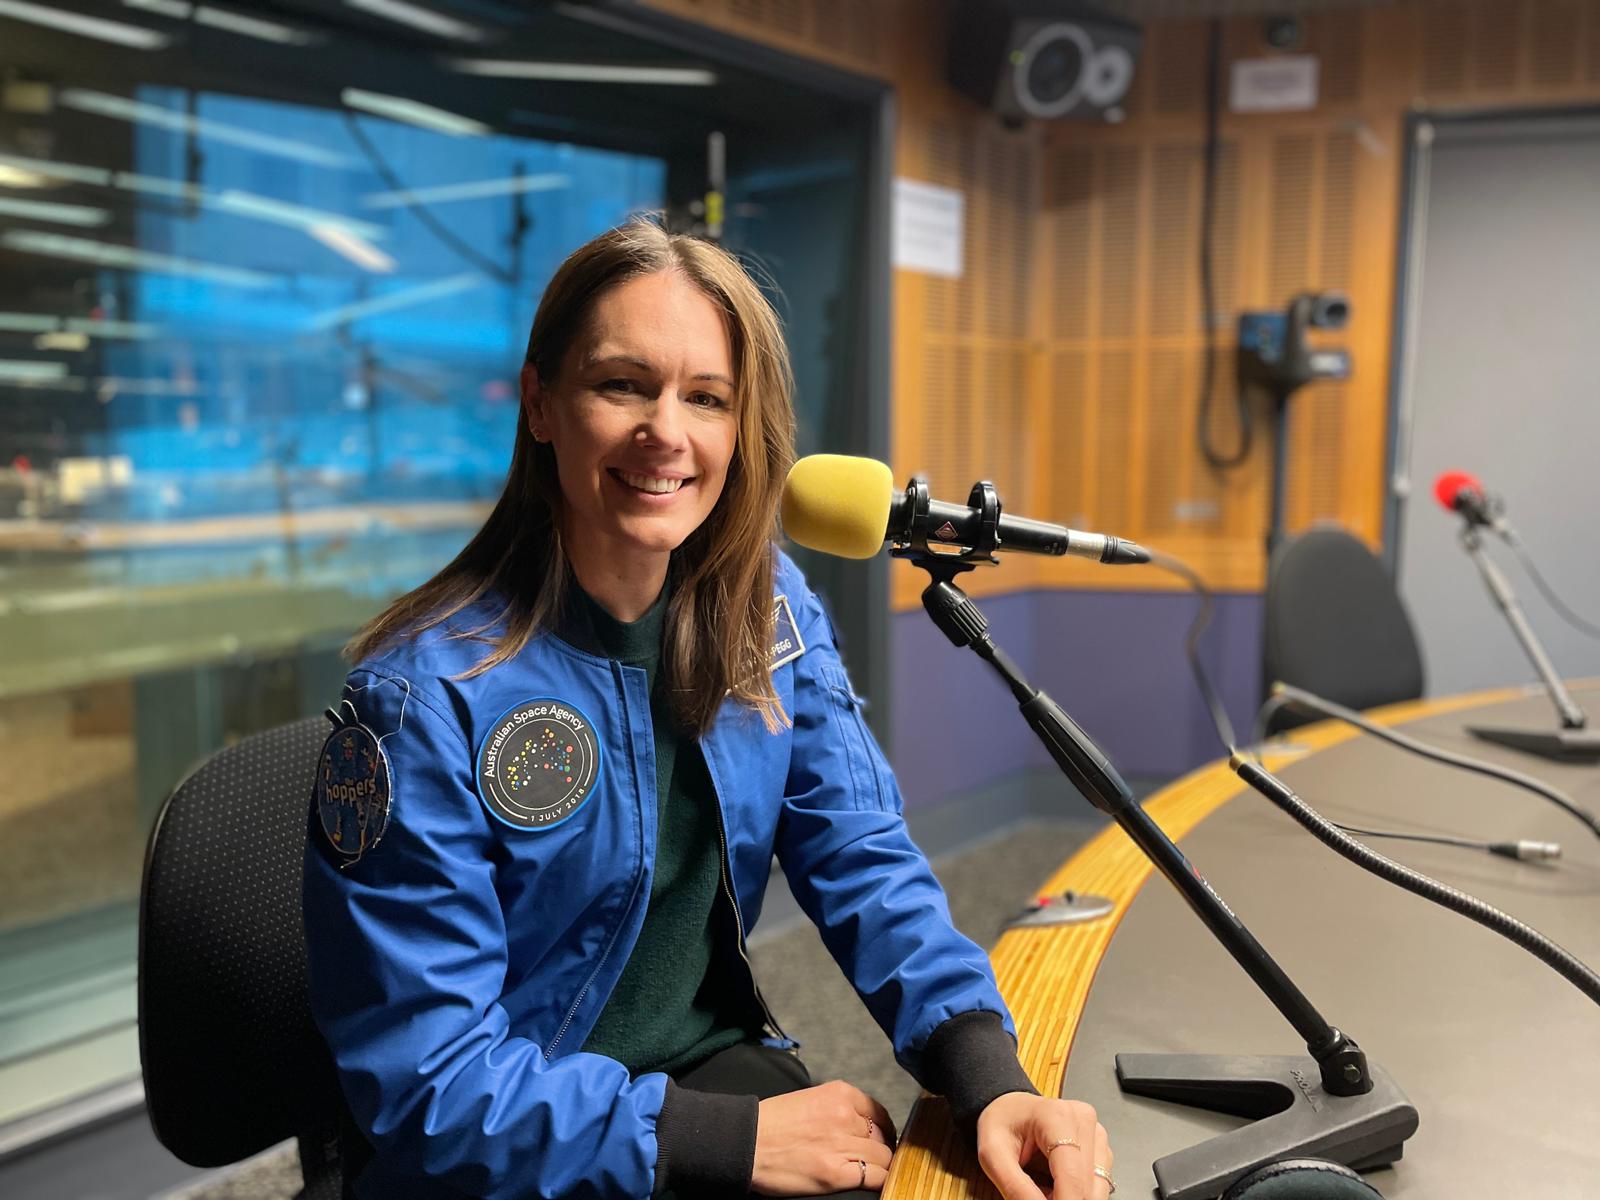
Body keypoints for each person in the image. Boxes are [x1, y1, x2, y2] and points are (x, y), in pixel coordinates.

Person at [303, 219, 1114, 1200]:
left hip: (700, 1073)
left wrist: (987, 1076)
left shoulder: (766, 610)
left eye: (706, 398)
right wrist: (722, 1141)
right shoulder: (419, 701)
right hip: (507, 1142)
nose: (667, 433)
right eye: (622, 385)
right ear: (541, 403)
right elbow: (429, 1085)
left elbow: (862, 856)